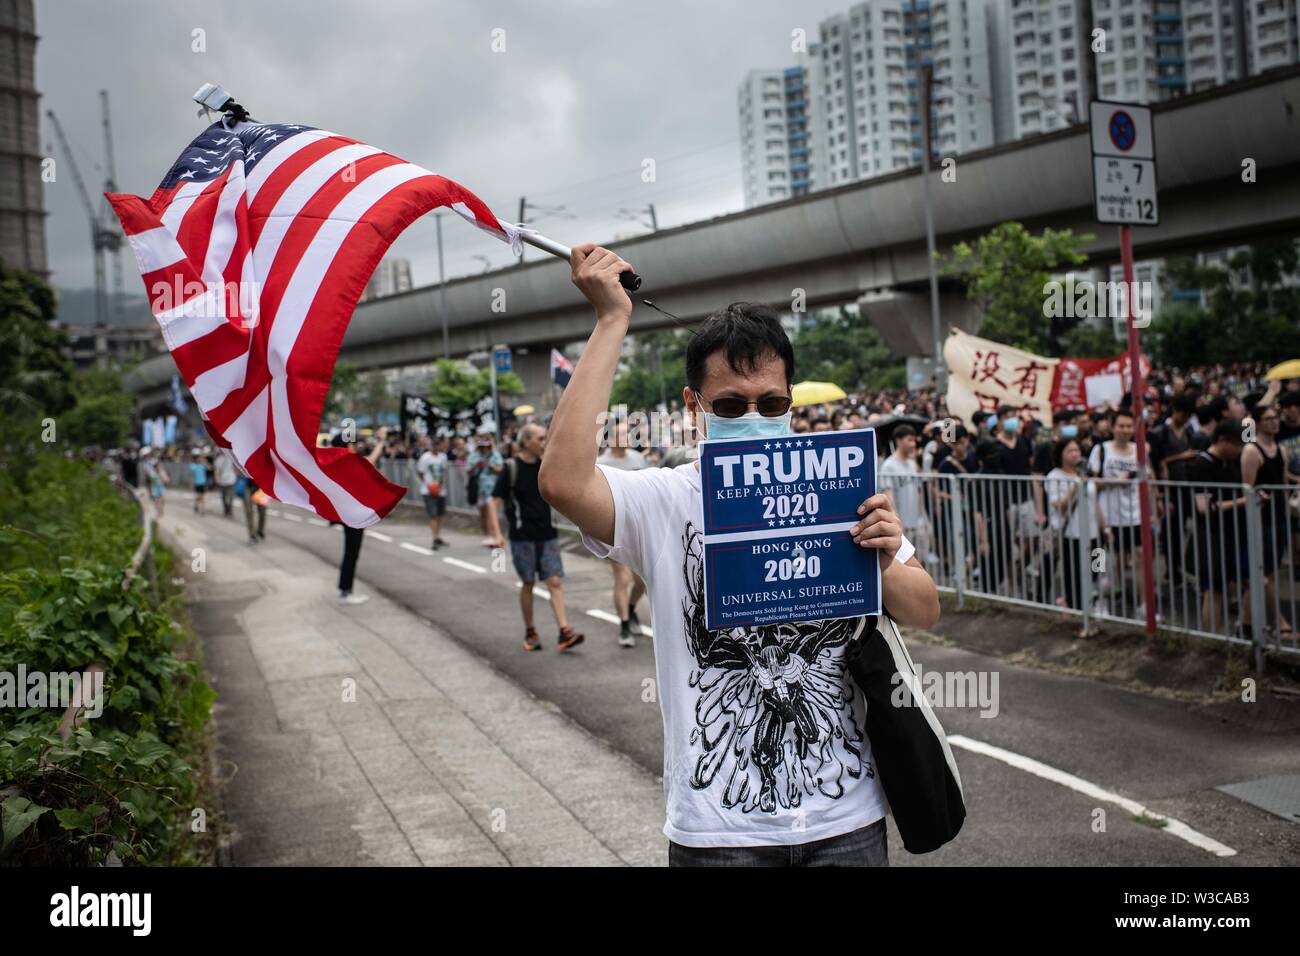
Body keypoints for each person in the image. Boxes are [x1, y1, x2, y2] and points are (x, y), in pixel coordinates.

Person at [540, 243, 939, 866]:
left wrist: (885, 558)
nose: (753, 416)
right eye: (730, 405)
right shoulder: (667, 500)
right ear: (693, 405)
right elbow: (563, 482)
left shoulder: (835, 485)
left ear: (791, 401)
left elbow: (925, 611)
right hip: (719, 834)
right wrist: (611, 320)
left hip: (848, 822)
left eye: (772, 403)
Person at [493, 423, 584, 652]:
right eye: (541, 439)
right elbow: (494, 499)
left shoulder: (546, 466)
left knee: (554, 580)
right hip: (522, 536)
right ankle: (530, 630)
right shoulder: (511, 468)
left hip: (547, 533)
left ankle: (564, 631)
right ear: (526, 442)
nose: (545, 443)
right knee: (528, 583)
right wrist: (496, 533)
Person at [1087, 409, 1155, 619]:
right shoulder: (1101, 450)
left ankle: (1145, 606)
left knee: (1142, 558)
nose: (1125, 430)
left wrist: (1151, 508)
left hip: (1134, 515)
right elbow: (1091, 483)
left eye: (1129, 426)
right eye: (1121, 426)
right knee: (1100, 559)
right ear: (1112, 427)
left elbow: (1149, 480)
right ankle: (1098, 600)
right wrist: (1118, 482)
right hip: (1106, 515)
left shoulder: (1140, 450)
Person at [1241, 405, 1295, 640]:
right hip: (1260, 520)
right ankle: (1279, 623)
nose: (1275, 422)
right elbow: (1247, 489)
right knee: (1265, 574)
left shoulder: (1281, 450)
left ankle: (1245, 623)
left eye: (1276, 417)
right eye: (1269, 418)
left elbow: (1282, 484)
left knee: (1266, 575)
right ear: (1258, 422)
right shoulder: (1251, 451)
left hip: (1279, 517)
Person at [1188, 419, 1248, 632]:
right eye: (1237, 445)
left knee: (1227, 586)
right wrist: (1241, 502)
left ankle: (1226, 632)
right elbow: (1204, 507)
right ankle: (1213, 637)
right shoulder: (1202, 465)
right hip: (1212, 535)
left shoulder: (1230, 462)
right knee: (1213, 589)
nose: (1240, 451)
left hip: (1231, 533)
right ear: (1223, 440)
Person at [597, 421, 648, 647]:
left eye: (628, 432)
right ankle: (625, 626)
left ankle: (630, 608)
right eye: (622, 433)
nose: (628, 436)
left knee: (642, 581)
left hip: (639, 527)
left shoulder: (637, 459)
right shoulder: (601, 463)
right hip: (614, 527)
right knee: (623, 578)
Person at [1044, 438, 1103, 636]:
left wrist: (1106, 527)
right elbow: (1058, 505)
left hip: (1094, 532)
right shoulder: (1054, 477)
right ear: (1060, 454)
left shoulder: (1086, 474)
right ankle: (1080, 614)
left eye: (1077, 449)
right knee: (1075, 574)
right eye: (1070, 450)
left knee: (1097, 567)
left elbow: (1096, 500)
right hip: (1073, 534)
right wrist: (1076, 485)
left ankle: (1096, 602)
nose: (1075, 454)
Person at [335, 428, 389, 605]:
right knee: (351, 552)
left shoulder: (338, 464)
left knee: (351, 552)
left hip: (350, 515)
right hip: (353, 517)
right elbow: (372, 460)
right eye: (351, 443)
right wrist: (381, 441)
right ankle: (346, 590)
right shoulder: (346, 464)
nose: (354, 446)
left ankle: (346, 588)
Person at [879, 424, 930, 566]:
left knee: (922, 560)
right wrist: (896, 520)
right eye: (909, 440)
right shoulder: (889, 466)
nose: (913, 444)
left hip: (917, 520)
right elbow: (889, 495)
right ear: (899, 441)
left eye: (914, 440)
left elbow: (918, 490)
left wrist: (923, 515)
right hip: (902, 524)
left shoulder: (912, 464)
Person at [466, 431, 505, 547]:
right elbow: (468, 470)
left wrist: (490, 466)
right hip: (479, 489)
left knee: (492, 512)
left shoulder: (495, 455)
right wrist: (476, 466)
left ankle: (495, 535)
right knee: (483, 513)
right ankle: (489, 534)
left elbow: (500, 469)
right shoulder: (474, 455)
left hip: (492, 488)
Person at [416, 435, 450, 550]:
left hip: (441, 489)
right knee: (433, 515)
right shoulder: (425, 458)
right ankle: (434, 538)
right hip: (429, 490)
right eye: (433, 445)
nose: (435, 447)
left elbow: (444, 470)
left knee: (440, 514)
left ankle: (438, 536)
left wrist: (440, 485)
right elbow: (420, 472)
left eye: (437, 444)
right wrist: (427, 483)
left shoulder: (443, 457)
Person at [140, 446, 167, 515]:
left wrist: (163, 476)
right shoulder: (145, 463)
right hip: (152, 480)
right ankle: (158, 510)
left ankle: (161, 509)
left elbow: (160, 468)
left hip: (158, 479)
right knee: (155, 498)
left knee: (162, 498)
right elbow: (146, 473)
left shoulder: (155, 460)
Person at [214, 448, 238, 517]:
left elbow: (216, 471)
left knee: (227, 497)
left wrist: (217, 479)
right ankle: (227, 510)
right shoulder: (228, 459)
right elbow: (216, 471)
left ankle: (228, 510)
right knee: (227, 497)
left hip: (229, 480)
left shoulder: (219, 460)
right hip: (227, 480)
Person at [189, 449, 209, 514]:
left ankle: (202, 510)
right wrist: (191, 485)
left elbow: (208, 468)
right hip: (196, 483)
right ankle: (196, 505)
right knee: (199, 496)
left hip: (203, 483)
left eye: (199, 458)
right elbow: (191, 476)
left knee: (202, 497)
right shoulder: (193, 466)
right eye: (198, 458)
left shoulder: (203, 465)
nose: (199, 459)